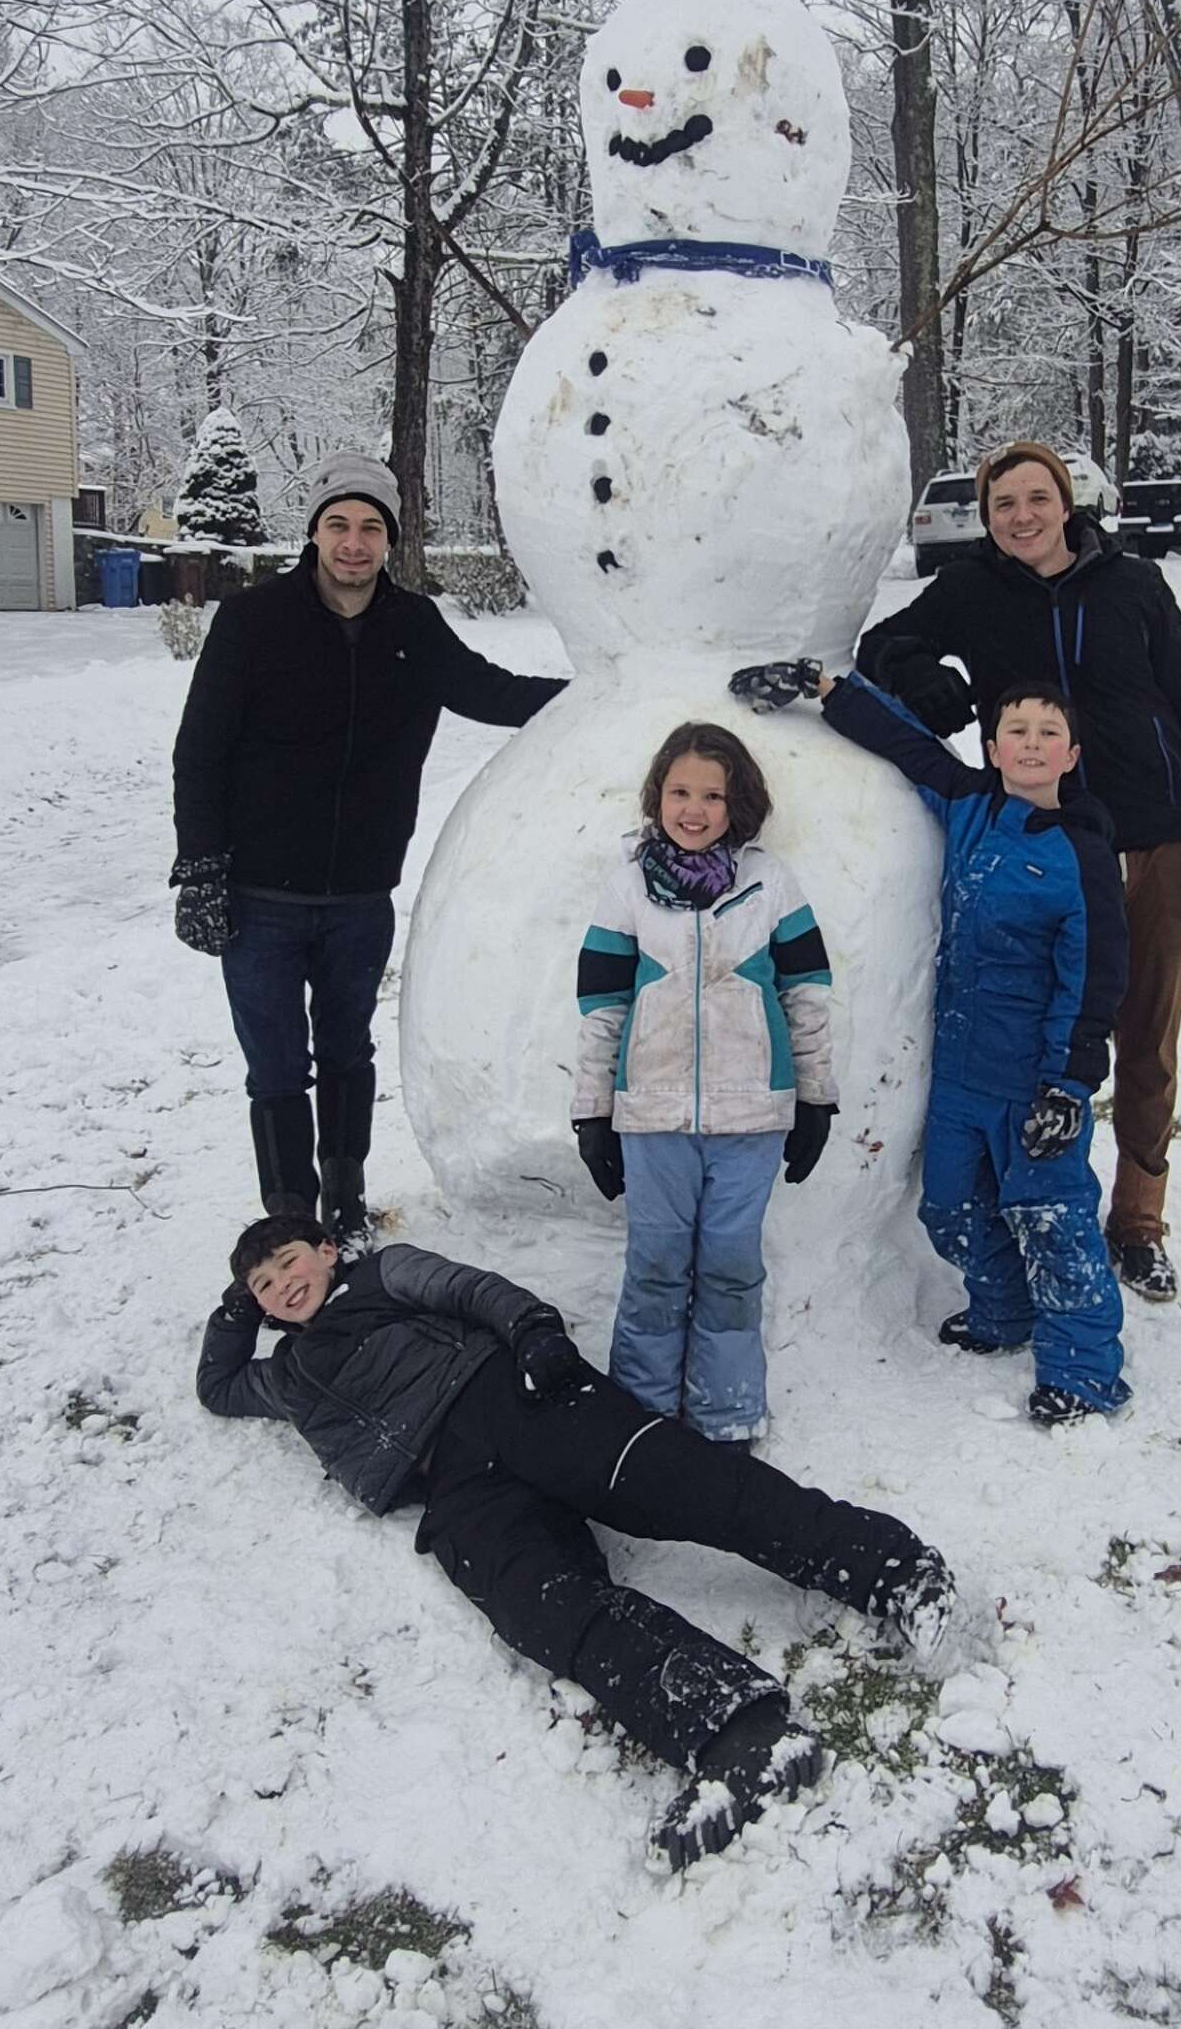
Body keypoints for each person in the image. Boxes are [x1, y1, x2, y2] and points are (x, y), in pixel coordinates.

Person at [197, 1214, 956, 1869]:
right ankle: (738, 1734)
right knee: (543, 1609)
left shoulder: (385, 1275)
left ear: (328, 1251)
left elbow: (473, 1290)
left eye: (287, 1261)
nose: (280, 1285)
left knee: (686, 1487)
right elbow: (217, 1388)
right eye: (262, 1286)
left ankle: (892, 1568)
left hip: (507, 1400)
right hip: (453, 1488)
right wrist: (236, 1307)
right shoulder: (288, 1376)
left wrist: (534, 1334)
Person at [856, 439, 1181, 1301]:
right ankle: (1033, 1201)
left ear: (1067, 504)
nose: (1023, 517)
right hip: (1042, 846)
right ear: (987, 517)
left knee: (1146, 1039)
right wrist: (921, 676)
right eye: (1004, 505)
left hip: (1156, 838)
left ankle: (1139, 1221)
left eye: (1037, 499)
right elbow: (881, 643)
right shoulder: (970, 589)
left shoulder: (1134, 586)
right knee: (1040, 1040)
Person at [170, 453, 563, 1253]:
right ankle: (289, 1223)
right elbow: (199, 751)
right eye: (340, 525)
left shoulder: (411, 625)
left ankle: (343, 1213)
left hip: (358, 897)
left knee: (347, 1054)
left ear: (390, 540)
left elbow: (491, 693)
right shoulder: (254, 622)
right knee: (276, 1067)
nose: (354, 543)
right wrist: (201, 868)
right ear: (314, 532)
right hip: (258, 896)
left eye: (372, 528)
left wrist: (603, 696)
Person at [733, 661, 1130, 1427]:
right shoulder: (972, 806)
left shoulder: (1080, 853)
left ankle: (1084, 1371)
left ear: (1073, 755)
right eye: (1017, 730)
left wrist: (1069, 1084)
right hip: (960, 1072)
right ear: (993, 745)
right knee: (947, 1206)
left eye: (1051, 733)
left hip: (1033, 1076)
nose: (1033, 743)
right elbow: (908, 746)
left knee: (1050, 1218)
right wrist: (825, 686)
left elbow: (1097, 975)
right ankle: (1002, 1310)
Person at [569, 723, 836, 1445]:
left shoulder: (769, 883)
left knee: (729, 1266)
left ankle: (726, 1413)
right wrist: (593, 1113)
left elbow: (808, 992)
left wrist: (815, 1097)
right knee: (654, 1266)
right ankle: (641, 1417)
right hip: (652, 1118)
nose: (695, 809)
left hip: (752, 1117)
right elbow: (602, 1006)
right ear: (657, 797)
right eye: (680, 792)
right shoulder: (626, 889)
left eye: (712, 795)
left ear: (737, 803)